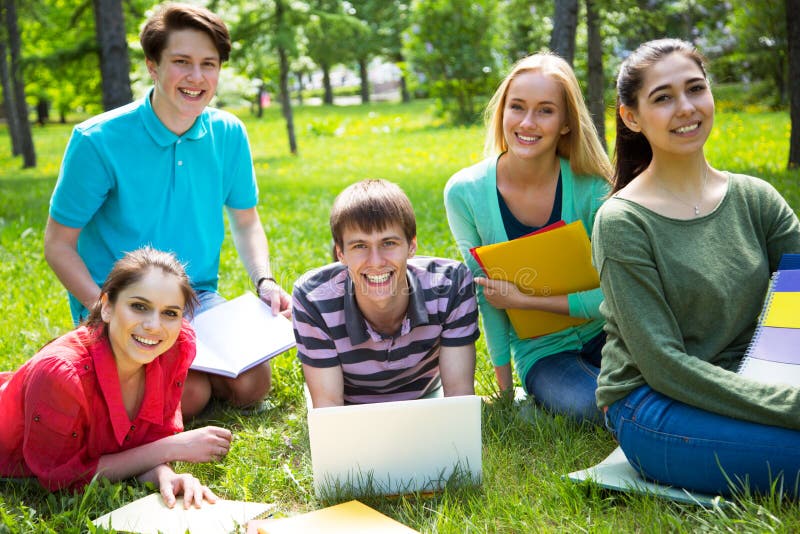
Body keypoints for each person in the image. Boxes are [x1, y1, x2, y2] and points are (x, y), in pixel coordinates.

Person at [43, 3, 291, 420]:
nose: (197, 78)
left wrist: (264, 281)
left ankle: (187, 358)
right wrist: (101, 309)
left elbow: (246, 220)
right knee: (188, 395)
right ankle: (151, 362)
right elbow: (58, 244)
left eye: (208, 65)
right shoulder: (97, 140)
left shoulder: (228, 132)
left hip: (195, 297)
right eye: (182, 62)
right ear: (153, 66)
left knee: (251, 385)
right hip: (124, 303)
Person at [592, 38, 800, 496]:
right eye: (662, 98)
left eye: (695, 89)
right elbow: (664, 365)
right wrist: (791, 405)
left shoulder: (755, 197)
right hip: (654, 404)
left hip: (753, 376)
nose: (685, 108)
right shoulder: (622, 221)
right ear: (631, 117)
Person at [444, 53, 612, 424]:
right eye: (516, 107)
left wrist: (525, 299)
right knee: (595, 407)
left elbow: (619, 295)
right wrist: (505, 392)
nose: (527, 122)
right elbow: (489, 298)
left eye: (545, 111)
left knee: (647, 393)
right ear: (502, 112)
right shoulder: (465, 193)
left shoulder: (593, 189)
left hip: (611, 334)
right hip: (543, 353)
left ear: (567, 123)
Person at [0, 248, 233, 507]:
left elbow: (137, 448)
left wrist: (165, 474)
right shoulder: (61, 375)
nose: (154, 326)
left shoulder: (173, 348)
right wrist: (173, 447)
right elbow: (63, 478)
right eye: (139, 306)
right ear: (107, 307)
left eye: (170, 313)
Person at [293, 179, 479, 407]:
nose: (376, 262)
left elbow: (459, 398)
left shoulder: (451, 284)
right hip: (351, 406)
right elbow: (329, 407)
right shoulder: (312, 299)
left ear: (411, 246)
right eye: (360, 246)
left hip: (426, 398)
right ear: (340, 253)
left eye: (388, 243)